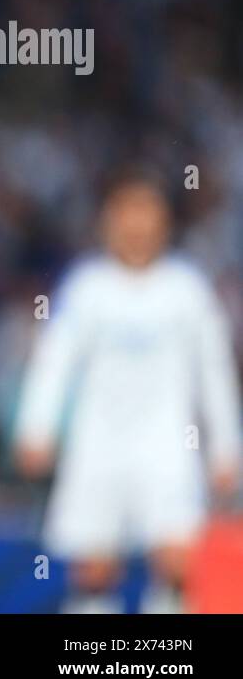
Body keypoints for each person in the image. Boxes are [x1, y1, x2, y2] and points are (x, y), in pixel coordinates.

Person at [13, 166, 242, 613]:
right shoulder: (87, 288)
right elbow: (54, 362)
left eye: (147, 216)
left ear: (164, 224)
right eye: (127, 216)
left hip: (168, 446)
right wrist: (36, 426)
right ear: (108, 221)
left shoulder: (186, 290)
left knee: (176, 560)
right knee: (93, 566)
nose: (137, 229)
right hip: (97, 445)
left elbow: (214, 372)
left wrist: (226, 446)